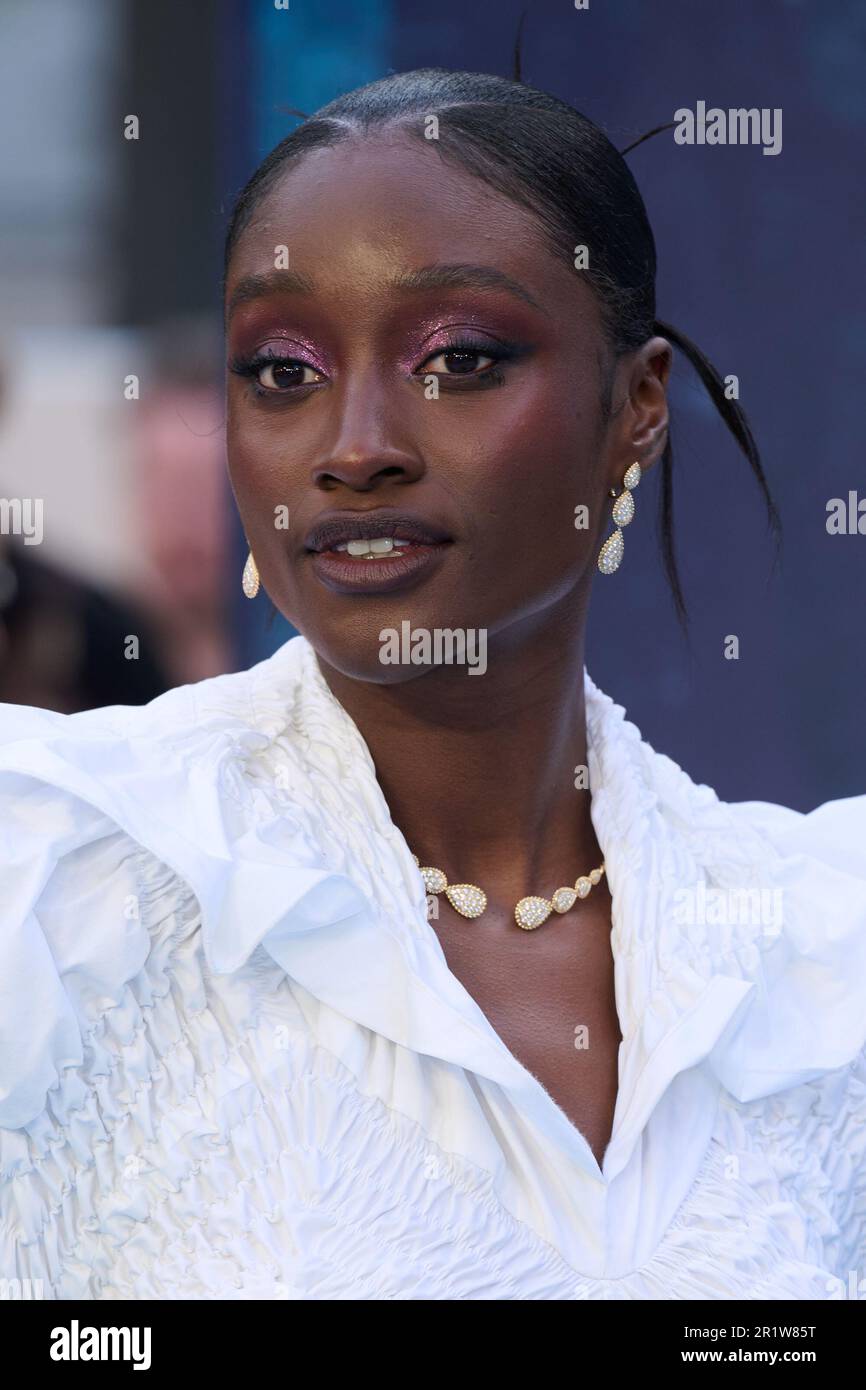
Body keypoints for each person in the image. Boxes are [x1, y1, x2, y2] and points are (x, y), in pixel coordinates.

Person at [1, 68, 864, 1301]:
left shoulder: (820, 962)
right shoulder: (52, 876)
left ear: (634, 407)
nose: (356, 446)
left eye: (458, 358)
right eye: (282, 369)